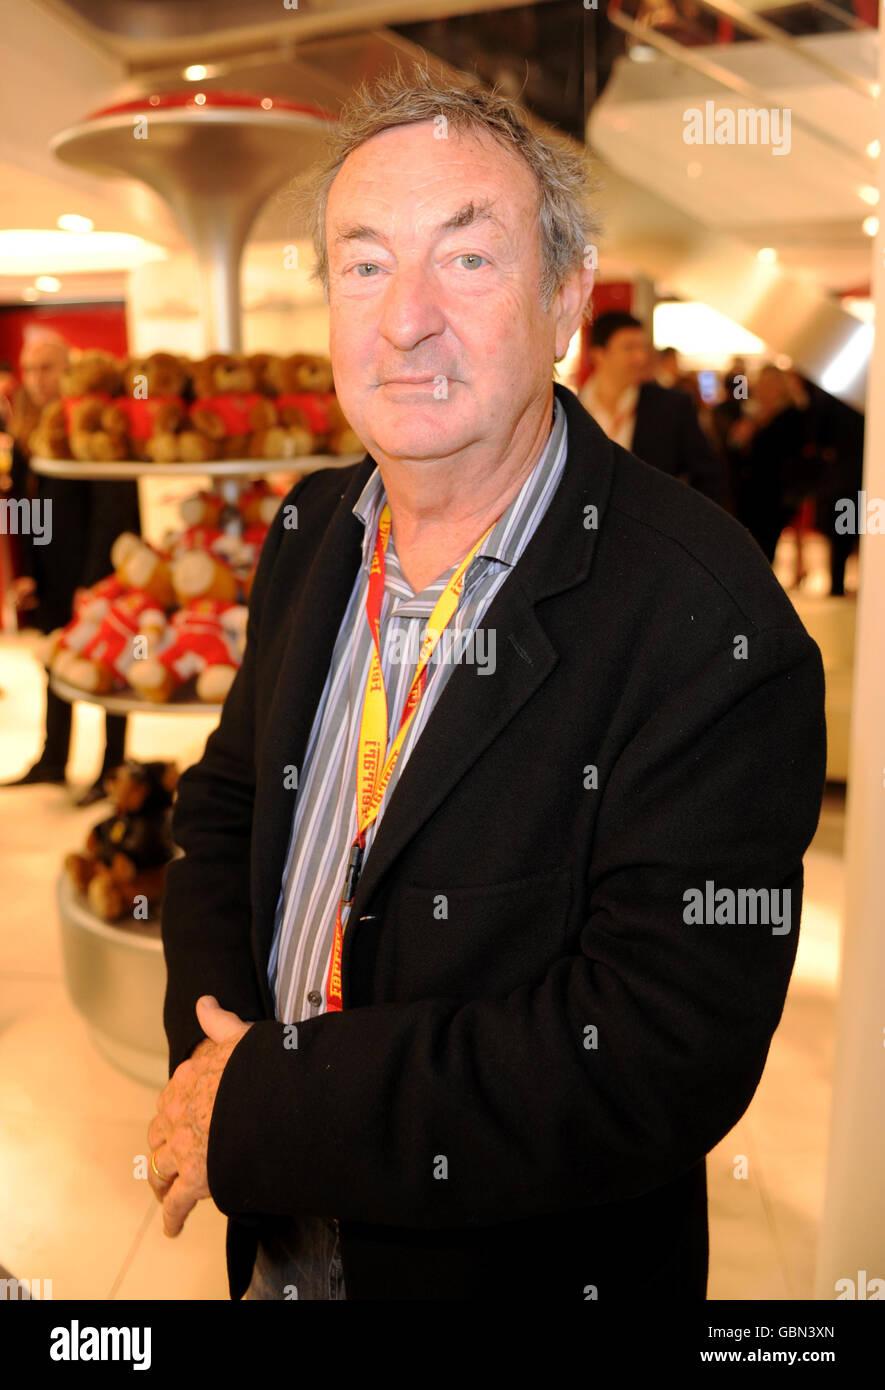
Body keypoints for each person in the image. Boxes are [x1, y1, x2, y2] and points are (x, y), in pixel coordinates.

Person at [148, 68, 826, 1302]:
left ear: (566, 299)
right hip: (284, 1247)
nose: (403, 318)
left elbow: (656, 1051)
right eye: (363, 264)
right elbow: (227, 805)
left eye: (466, 259)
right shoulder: (311, 527)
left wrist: (271, 1102)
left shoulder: (706, 619)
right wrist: (211, 1055)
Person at [3, 329, 140, 804]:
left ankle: (112, 770)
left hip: (97, 569)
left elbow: (113, 508)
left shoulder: (92, 423)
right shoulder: (29, 428)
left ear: (69, 369)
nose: (37, 379)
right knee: (53, 663)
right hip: (51, 569)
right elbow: (22, 506)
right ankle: (52, 760)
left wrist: (95, 580)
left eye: (48, 368)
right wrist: (25, 572)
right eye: (30, 369)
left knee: (111, 666)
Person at [580, 311, 726, 505]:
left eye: (644, 347)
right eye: (629, 348)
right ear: (598, 354)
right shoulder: (571, 405)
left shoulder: (671, 406)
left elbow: (710, 477)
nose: (641, 357)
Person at [729, 363, 808, 569]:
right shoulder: (756, 416)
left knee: (763, 551)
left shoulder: (790, 417)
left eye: (767, 385)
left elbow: (781, 455)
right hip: (751, 494)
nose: (761, 390)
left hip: (772, 495)